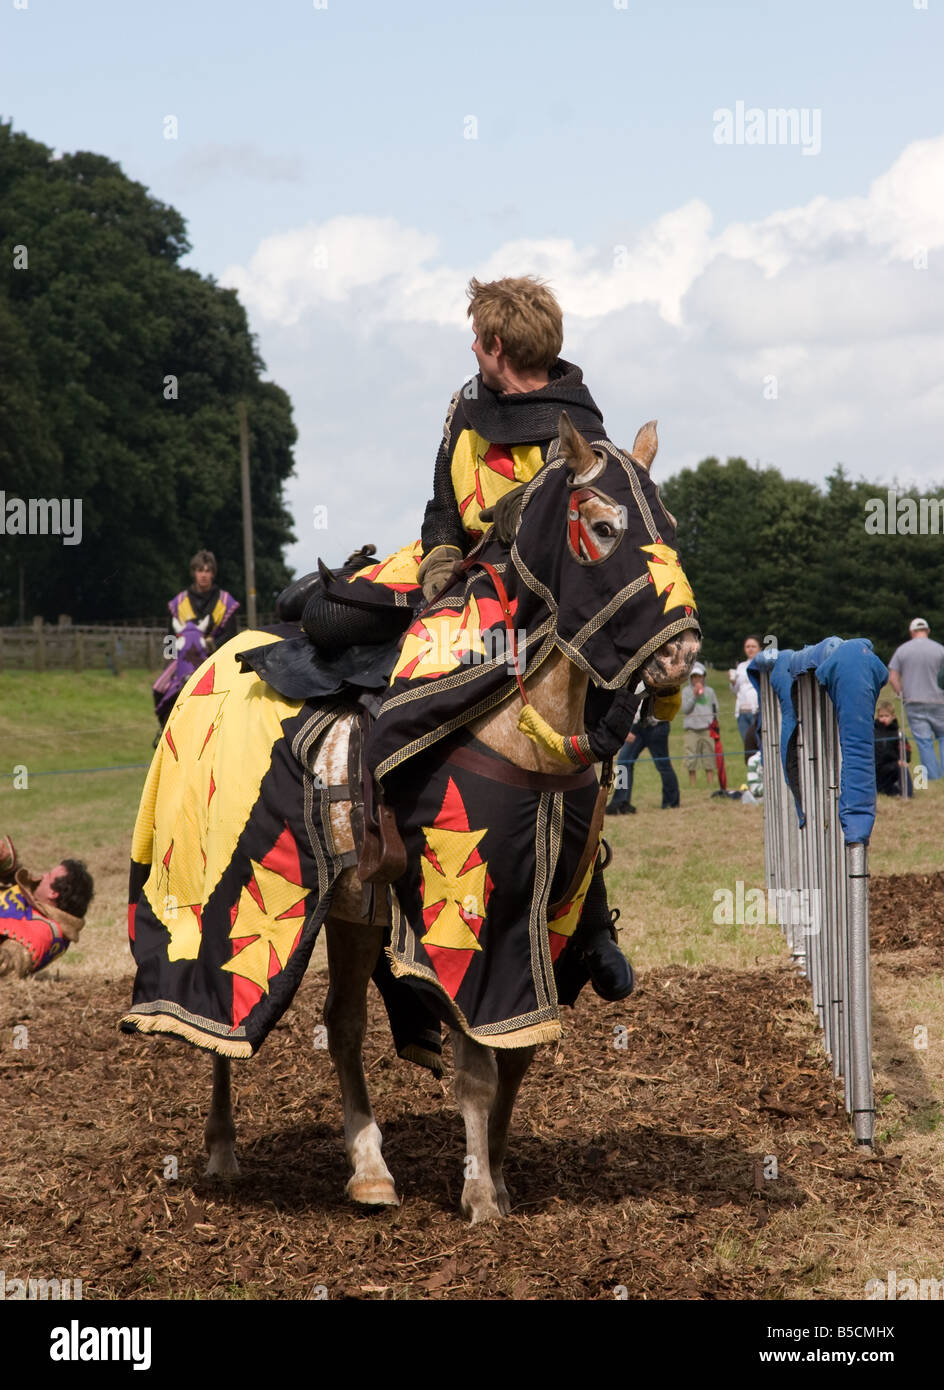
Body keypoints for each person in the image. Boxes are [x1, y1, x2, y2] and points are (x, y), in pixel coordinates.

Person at [153, 550, 240, 730]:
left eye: (208, 571)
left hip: (214, 658)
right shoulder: (179, 602)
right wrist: (169, 660)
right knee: (158, 688)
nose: (204, 575)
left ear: (213, 574)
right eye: (200, 570)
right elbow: (170, 636)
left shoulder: (225, 601)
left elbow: (231, 635)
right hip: (183, 659)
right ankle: (163, 729)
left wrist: (212, 644)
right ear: (194, 572)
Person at [0, 835, 94, 979]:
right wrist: (6, 864)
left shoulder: (43, 934)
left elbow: (7, 965)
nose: (43, 876)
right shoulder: (39, 905)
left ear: (53, 893)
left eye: (48, 875)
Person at [887, 618, 944, 779]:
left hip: (914, 701)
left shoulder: (902, 650)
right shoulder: (940, 649)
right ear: (928, 630)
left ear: (911, 632)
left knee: (924, 742)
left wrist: (901, 693)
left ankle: (933, 777)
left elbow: (893, 677)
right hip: (940, 702)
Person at [606, 703, 680, 814]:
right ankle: (620, 802)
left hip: (656, 726)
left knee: (663, 766)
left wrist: (631, 730)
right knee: (623, 762)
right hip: (638, 727)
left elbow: (645, 703)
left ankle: (671, 802)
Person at [682, 662, 719, 788]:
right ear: (690, 678)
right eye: (694, 677)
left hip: (707, 729)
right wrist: (694, 695)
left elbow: (715, 708)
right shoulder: (686, 692)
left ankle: (710, 784)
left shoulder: (710, 691)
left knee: (709, 757)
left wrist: (713, 724)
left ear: (704, 677)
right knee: (691, 758)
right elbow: (685, 709)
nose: (697, 679)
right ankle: (692, 785)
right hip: (691, 730)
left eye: (700, 677)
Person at [728, 634, 761, 762]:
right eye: (747, 646)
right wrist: (732, 682)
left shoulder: (762, 665)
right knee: (748, 745)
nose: (750, 649)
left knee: (759, 744)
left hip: (756, 711)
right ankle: (753, 771)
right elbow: (736, 691)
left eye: (753, 646)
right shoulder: (741, 667)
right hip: (742, 713)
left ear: (760, 648)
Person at [874, 701, 912, 797]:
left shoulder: (898, 734)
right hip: (875, 769)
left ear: (893, 716)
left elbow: (906, 750)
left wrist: (903, 760)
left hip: (892, 767)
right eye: (881, 716)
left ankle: (907, 794)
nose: (883, 719)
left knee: (902, 767)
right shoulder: (873, 732)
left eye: (886, 716)